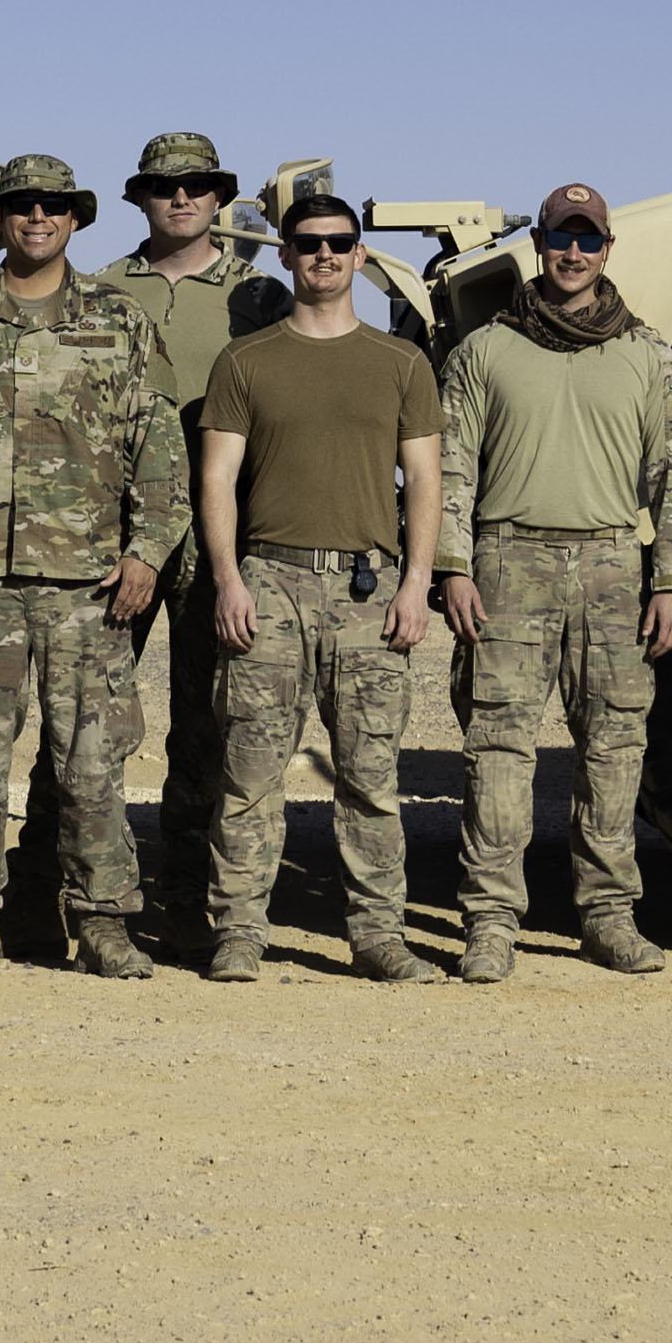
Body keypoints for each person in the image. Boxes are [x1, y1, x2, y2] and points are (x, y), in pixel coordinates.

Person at [0, 154, 184, 981]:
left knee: (93, 767)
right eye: (22, 205)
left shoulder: (119, 320)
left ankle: (103, 922)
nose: (38, 217)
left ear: (76, 217)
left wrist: (147, 550)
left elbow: (158, 448)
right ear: (1, 219)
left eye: (54, 205)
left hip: (90, 587)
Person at [432, 182, 672, 979]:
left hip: (613, 566)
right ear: (539, 243)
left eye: (588, 239)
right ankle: (490, 920)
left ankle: (608, 914)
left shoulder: (648, 355)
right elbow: (452, 469)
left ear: (608, 248)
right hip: (508, 562)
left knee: (615, 746)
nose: (574, 253)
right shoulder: (484, 351)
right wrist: (453, 566)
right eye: (561, 237)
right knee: (498, 748)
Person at [195, 187, 448, 983]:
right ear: (285, 255)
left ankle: (378, 935)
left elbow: (427, 481)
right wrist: (229, 579)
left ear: (360, 255)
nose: (325, 254)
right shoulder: (245, 361)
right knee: (249, 775)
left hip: (367, 592)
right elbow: (217, 478)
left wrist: (416, 583)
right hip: (269, 581)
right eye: (309, 243)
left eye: (340, 242)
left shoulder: (402, 363)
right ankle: (239, 931)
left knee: (370, 779)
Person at [99, 132, 284, 949]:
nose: (181, 197)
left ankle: (185, 899)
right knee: (92, 719)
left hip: (221, 540)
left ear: (218, 198)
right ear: (140, 197)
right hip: (119, 537)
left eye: (198, 185)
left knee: (206, 726)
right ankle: (81, 891)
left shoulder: (261, 296)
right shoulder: (100, 290)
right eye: (165, 185)